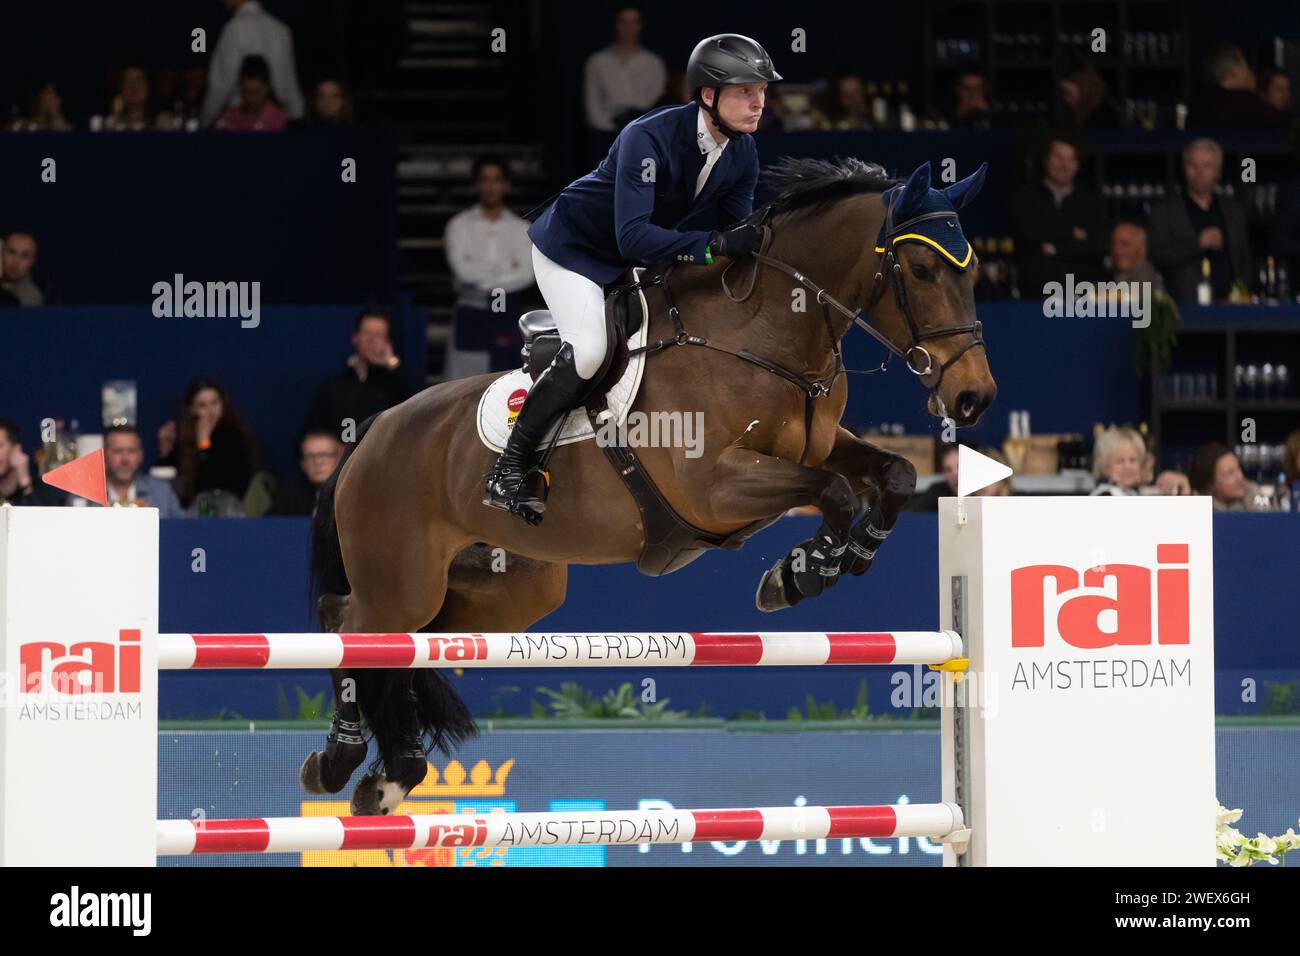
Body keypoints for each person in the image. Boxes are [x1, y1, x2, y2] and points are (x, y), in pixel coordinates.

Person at [486, 33, 780, 524]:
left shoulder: (742, 153)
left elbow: (733, 237)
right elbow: (634, 238)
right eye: (745, 91)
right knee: (591, 350)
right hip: (573, 251)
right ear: (708, 95)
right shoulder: (648, 137)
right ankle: (510, 467)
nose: (759, 102)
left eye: (763, 91)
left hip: (637, 258)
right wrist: (714, 245)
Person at [443, 155, 537, 377]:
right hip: (471, 312)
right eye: (485, 179)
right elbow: (462, 272)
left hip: (508, 313)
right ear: (476, 184)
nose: (490, 186)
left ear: (506, 185)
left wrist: (483, 273)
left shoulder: (521, 228)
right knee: (462, 388)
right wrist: (505, 273)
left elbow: (526, 274)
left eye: (496, 180)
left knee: (509, 386)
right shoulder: (458, 225)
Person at [1147, 139, 1252, 303]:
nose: (1199, 172)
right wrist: (1197, 243)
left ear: (1218, 171)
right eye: (1192, 165)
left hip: (1232, 305)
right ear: (1184, 169)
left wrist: (1242, 292)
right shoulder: (1164, 211)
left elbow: (1244, 259)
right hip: (1185, 308)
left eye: (1207, 166)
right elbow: (1156, 256)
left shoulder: (1234, 211)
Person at [1010, 133, 1109, 297]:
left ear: (1077, 165)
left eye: (1070, 159)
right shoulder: (1024, 198)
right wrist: (1071, 233)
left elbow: (1097, 244)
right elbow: (1027, 232)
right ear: (1046, 159)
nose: (1064, 165)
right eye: (1058, 157)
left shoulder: (1092, 202)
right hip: (1035, 295)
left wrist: (1055, 248)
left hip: (1084, 296)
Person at [302, 308, 411, 438]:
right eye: (367, 333)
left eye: (379, 335)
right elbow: (312, 432)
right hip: (344, 456)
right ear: (355, 338)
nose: (372, 340)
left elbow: (423, 408)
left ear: (388, 342)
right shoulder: (333, 387)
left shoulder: (396, 384)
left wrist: (392, 364)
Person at [157, 378, 262, 510]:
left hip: (230, 510)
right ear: (192, 409)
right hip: (191, 513)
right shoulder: (186, 440)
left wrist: (204, 444)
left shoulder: (233, 435)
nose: (211, 411)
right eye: (202, 405)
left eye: (214, 403)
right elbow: (171, 485)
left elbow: (215, 485)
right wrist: (165, 452)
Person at [200, 0, 304, 126]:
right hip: (272, 124)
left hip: (242, 124)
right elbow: (288, 87)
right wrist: (296, 120)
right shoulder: (281, 30)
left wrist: (205, 122)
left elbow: (221, 86)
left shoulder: (233, 30)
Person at [583, 7, 667, 139]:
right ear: (616, 25)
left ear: (640, 26)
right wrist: (608, 127)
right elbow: (592, 101)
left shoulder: (653, 62)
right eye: (624, 22)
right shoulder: (597, 61)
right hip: (606, 132)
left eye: (634, 22)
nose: (629, 27)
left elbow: (656, 95)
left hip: (643, 130)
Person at [89, 425, 183, 515]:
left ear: (141, 455)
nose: (125, 459)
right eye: (117, 451)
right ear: (104, 455)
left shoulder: (162, 492)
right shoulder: (87, 494)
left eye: (131, 451)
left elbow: (183, 528)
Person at [1189, 46, 1290, 129]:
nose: (1251, 74)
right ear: (1232, 74)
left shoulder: (1200, 103)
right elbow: (1276, 119)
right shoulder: (1241, 103)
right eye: (1246, 68)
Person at [1089, 426, 1189, 496]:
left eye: (1133, 460)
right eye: (1120, 461)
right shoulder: (1105, 495)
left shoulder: (1132, 492)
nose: (1128, 466)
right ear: (1103, 466)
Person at [268, 430, 342, 516]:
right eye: (310, 456)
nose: (317, 462)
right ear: (302, 463)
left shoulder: (352, 493)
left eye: (324, 455)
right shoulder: (290, 493)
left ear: (338, 460)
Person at [0, 418, 65, 506]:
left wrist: (25, 483)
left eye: (0, 445)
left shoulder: (42, 490)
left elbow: (41, 518)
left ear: (15, 449)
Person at [1188, 441, 1268, 510]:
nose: (1240, 477)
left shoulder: (1255, 496)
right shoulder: (1195, 510)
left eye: (1238, 468)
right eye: (1230, 473)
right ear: (1210, 485)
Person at [215, 55, 288, 131]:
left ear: (268, 87)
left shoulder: (280, 120)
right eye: (246, 92)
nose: (251, 98)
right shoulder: (228, 117)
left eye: (256, 92)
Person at [1108, 222, 1164, 292]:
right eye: (1114, 244)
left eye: (1125, 244)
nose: (1117, 251)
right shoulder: (1111, 273)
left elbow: (1133, 298)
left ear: (1141, 248)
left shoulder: (1146, 275)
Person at [905, 443, 961, 511]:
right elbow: (911, 514)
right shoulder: (937, 491)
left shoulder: (977, 493)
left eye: (959, 466)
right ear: (944, 475)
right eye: (948, 470)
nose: (955, 474)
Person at [1, 231, 47, 306]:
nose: (16, 262)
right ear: (2, 252)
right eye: (11, 252)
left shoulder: (32, 299)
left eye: (25, 256)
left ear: (33, 261)